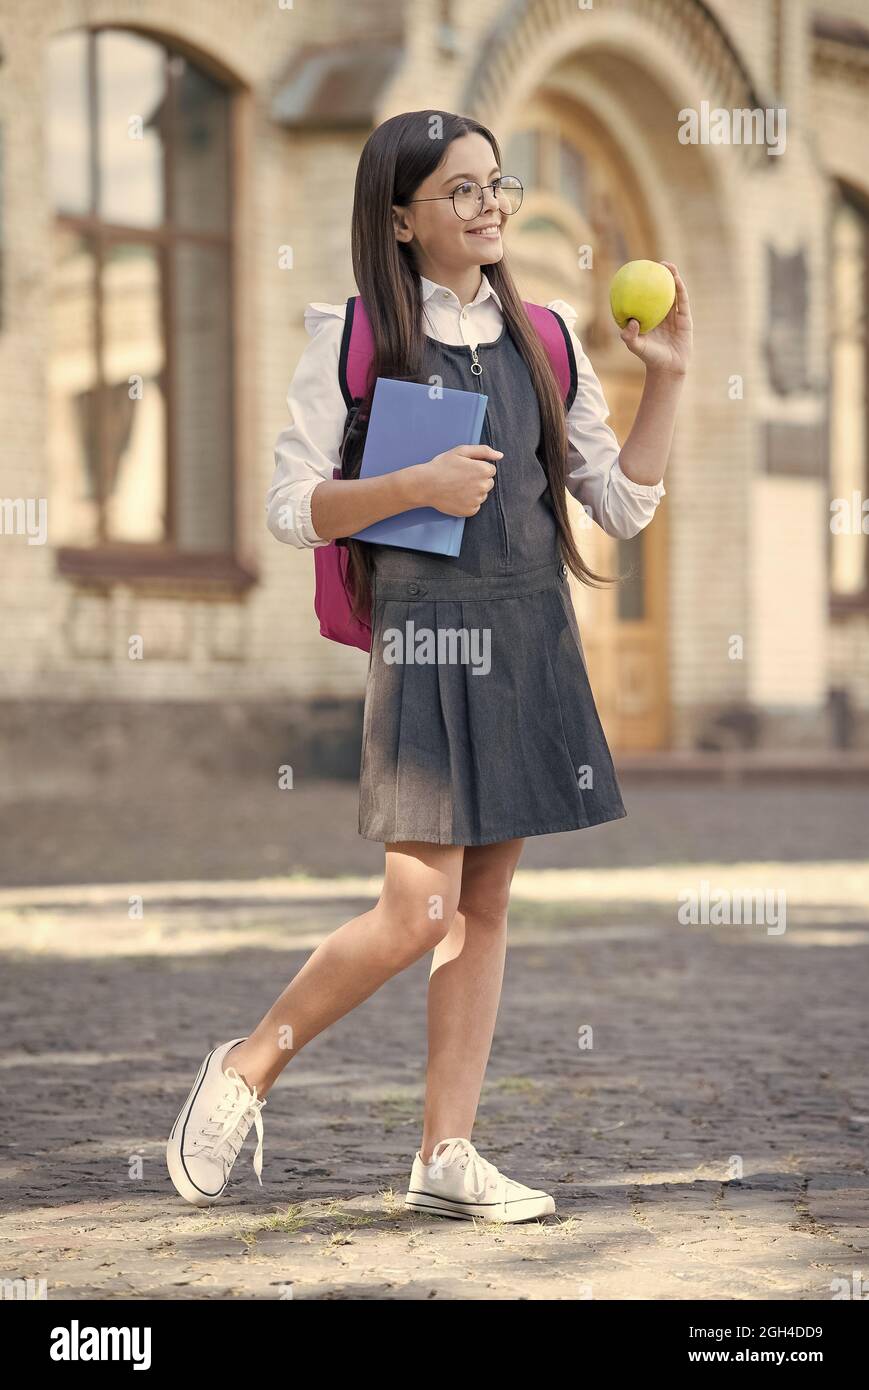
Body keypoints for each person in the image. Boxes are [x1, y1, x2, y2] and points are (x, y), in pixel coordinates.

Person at [167, 110, 691, 1222]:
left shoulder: (547, 339)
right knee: (416, 909)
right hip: (426, 633)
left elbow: (622, 501)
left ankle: (445, 1153)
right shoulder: (353, 335)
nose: (490, 204)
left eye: (495, 184)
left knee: (485, 902)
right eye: (462, 190)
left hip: (530, 632)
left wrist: (671, 383)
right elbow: (289, 508)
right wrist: (411, 486)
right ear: (402, 219)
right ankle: (249, 1064)